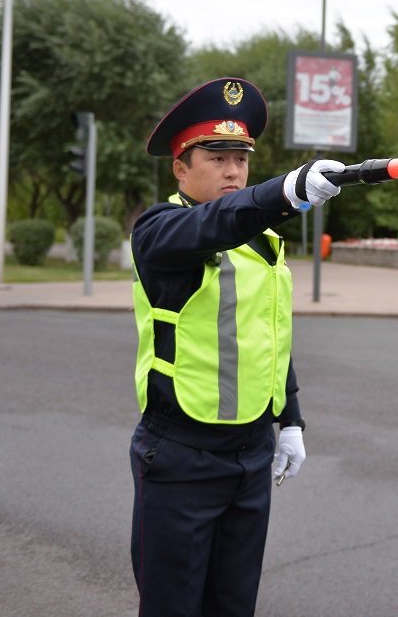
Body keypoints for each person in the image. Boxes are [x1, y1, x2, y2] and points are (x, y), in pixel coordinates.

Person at [128, 76, 344, 617]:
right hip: (182, 455)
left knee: (233, 605)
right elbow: (213, 224)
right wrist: (282, 193)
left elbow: (270, 335)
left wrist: (289, 419)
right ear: (180, 168)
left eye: (241, 160)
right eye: (216, 157)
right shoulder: (159, 231)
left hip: (250, 455)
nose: (232, 171)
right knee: (174, 608)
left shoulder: (262, 242)